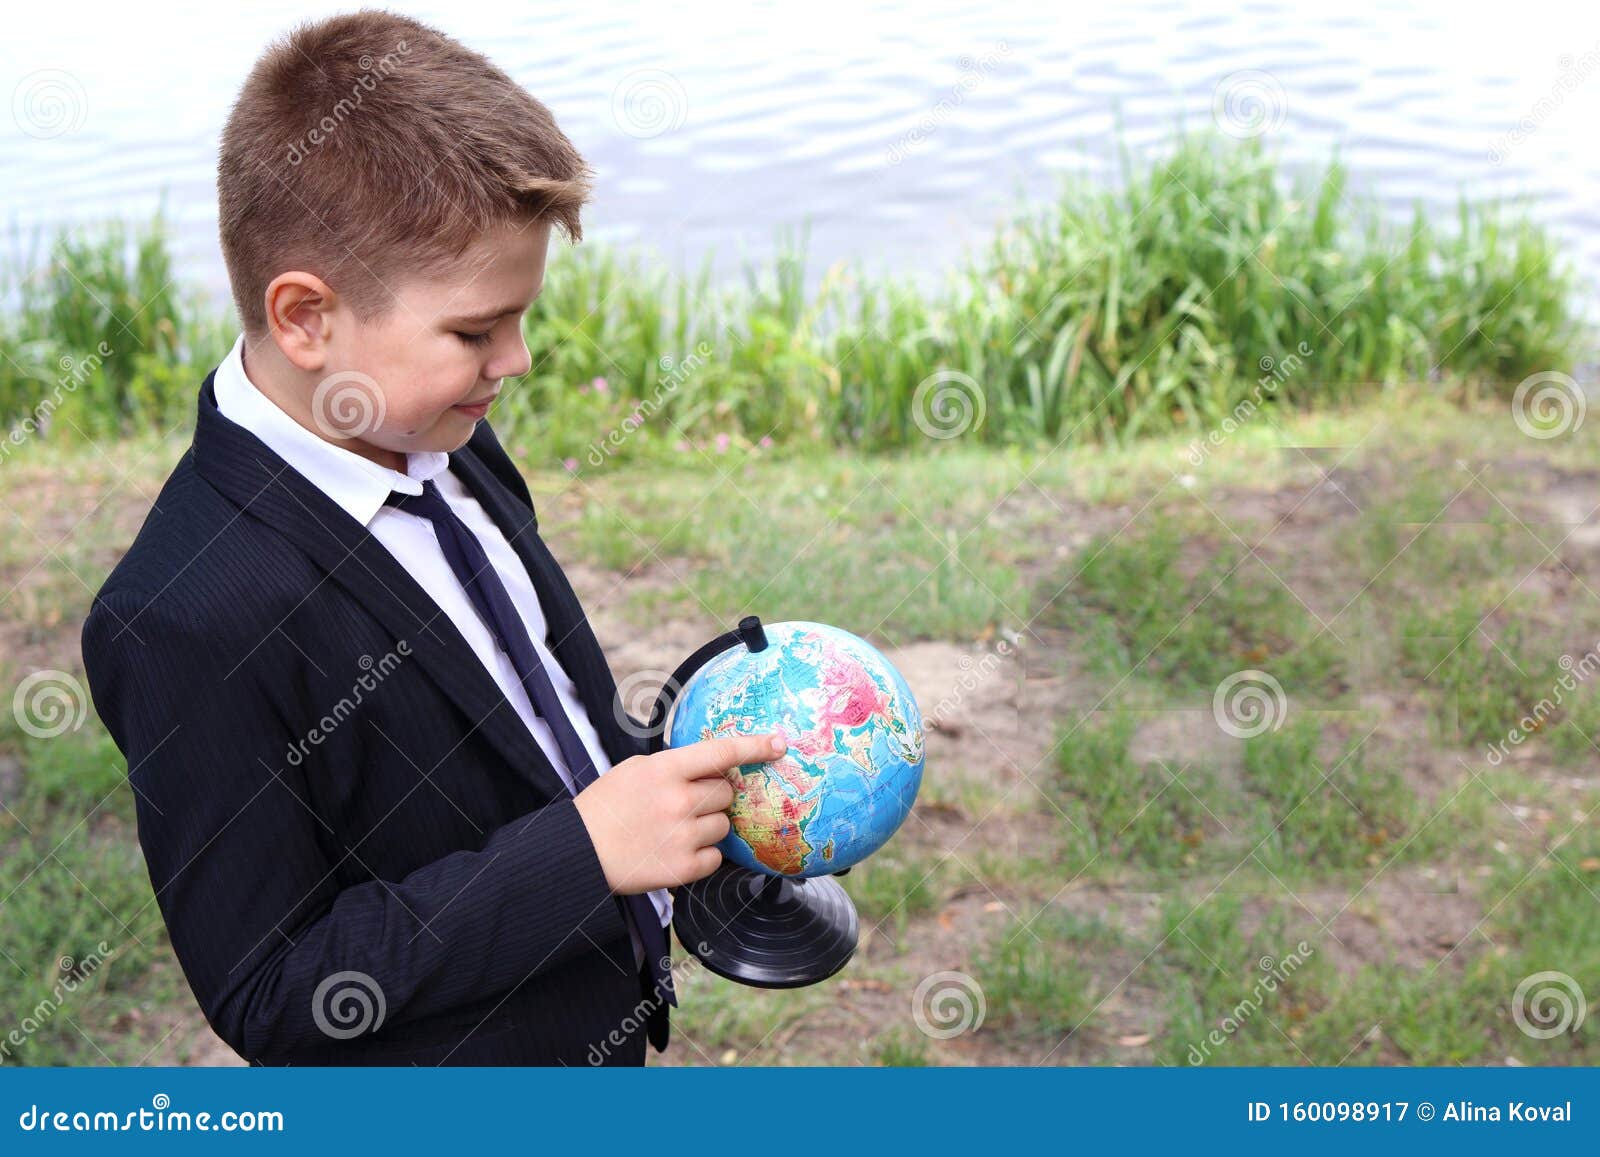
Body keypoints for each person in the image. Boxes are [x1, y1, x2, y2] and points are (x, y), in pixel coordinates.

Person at [79, 8, 782, 1066]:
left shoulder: (445, 437)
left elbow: (533, 708)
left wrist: (664, 774)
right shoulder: (184, 614)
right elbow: (272, 990)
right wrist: (582, 854)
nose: (520, 358)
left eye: (521, 317)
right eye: (475, 330)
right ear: (307, 317)